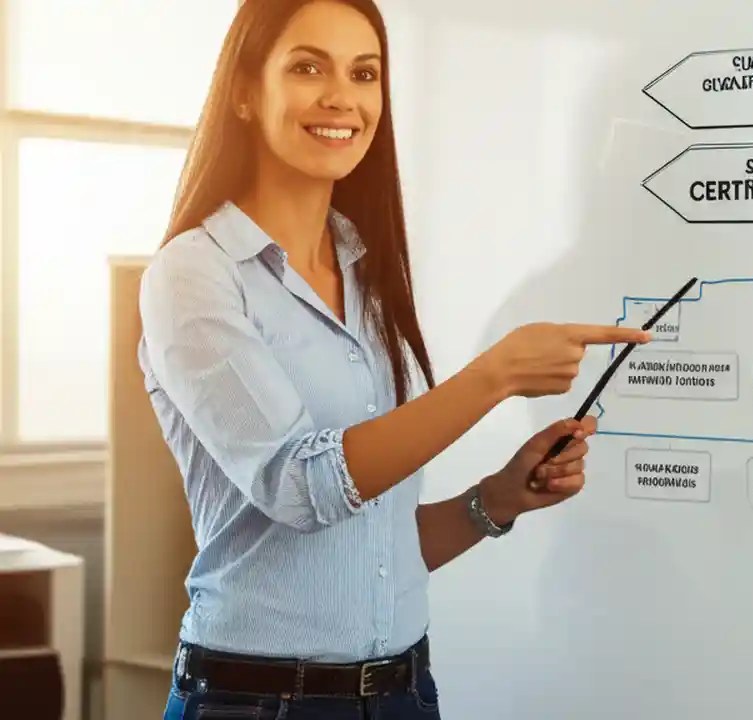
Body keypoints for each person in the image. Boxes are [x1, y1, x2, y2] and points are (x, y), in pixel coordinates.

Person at [139, 1, 649, 718]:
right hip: (256, 702)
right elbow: (301, 486)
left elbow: (373, 550)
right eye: (308, 66)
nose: (342, 97)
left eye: (365, 72)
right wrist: (494, 375)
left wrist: (496, 498)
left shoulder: (366, 271)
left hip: (404, 693)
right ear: (246, 93)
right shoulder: (194, 274)